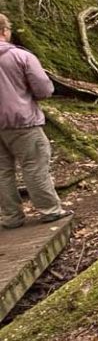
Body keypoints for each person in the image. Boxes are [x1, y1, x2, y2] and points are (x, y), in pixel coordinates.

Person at [0, 13, 72, 229]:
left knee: (2, 172)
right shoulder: (21, 57)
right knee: (34, 165)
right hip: (23, 122)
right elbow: (44, 89)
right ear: (5, 31)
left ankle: (11, 217)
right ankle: (49, 210)